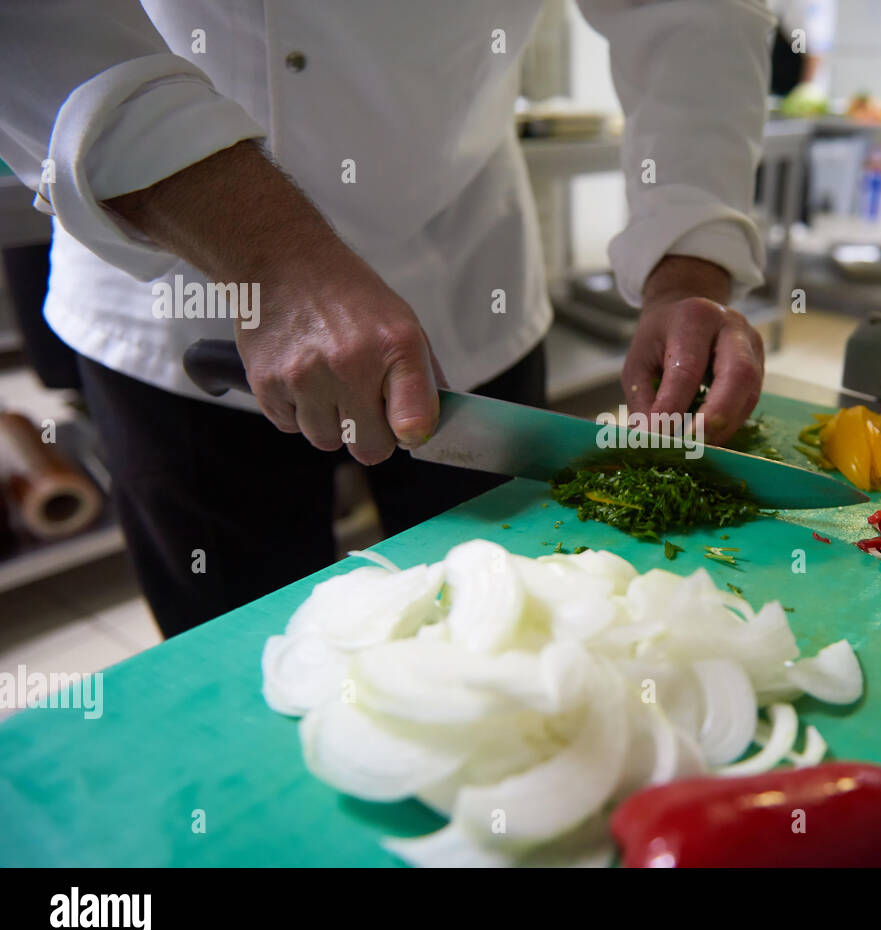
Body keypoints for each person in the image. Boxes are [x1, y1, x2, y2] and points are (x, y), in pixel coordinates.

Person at [0, 1, 774, 637]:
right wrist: (270, 256)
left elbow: (691, 11)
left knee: (500, 632)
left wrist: (689, 260)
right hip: (184, 285)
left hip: (464, 283)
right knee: (237, 650)